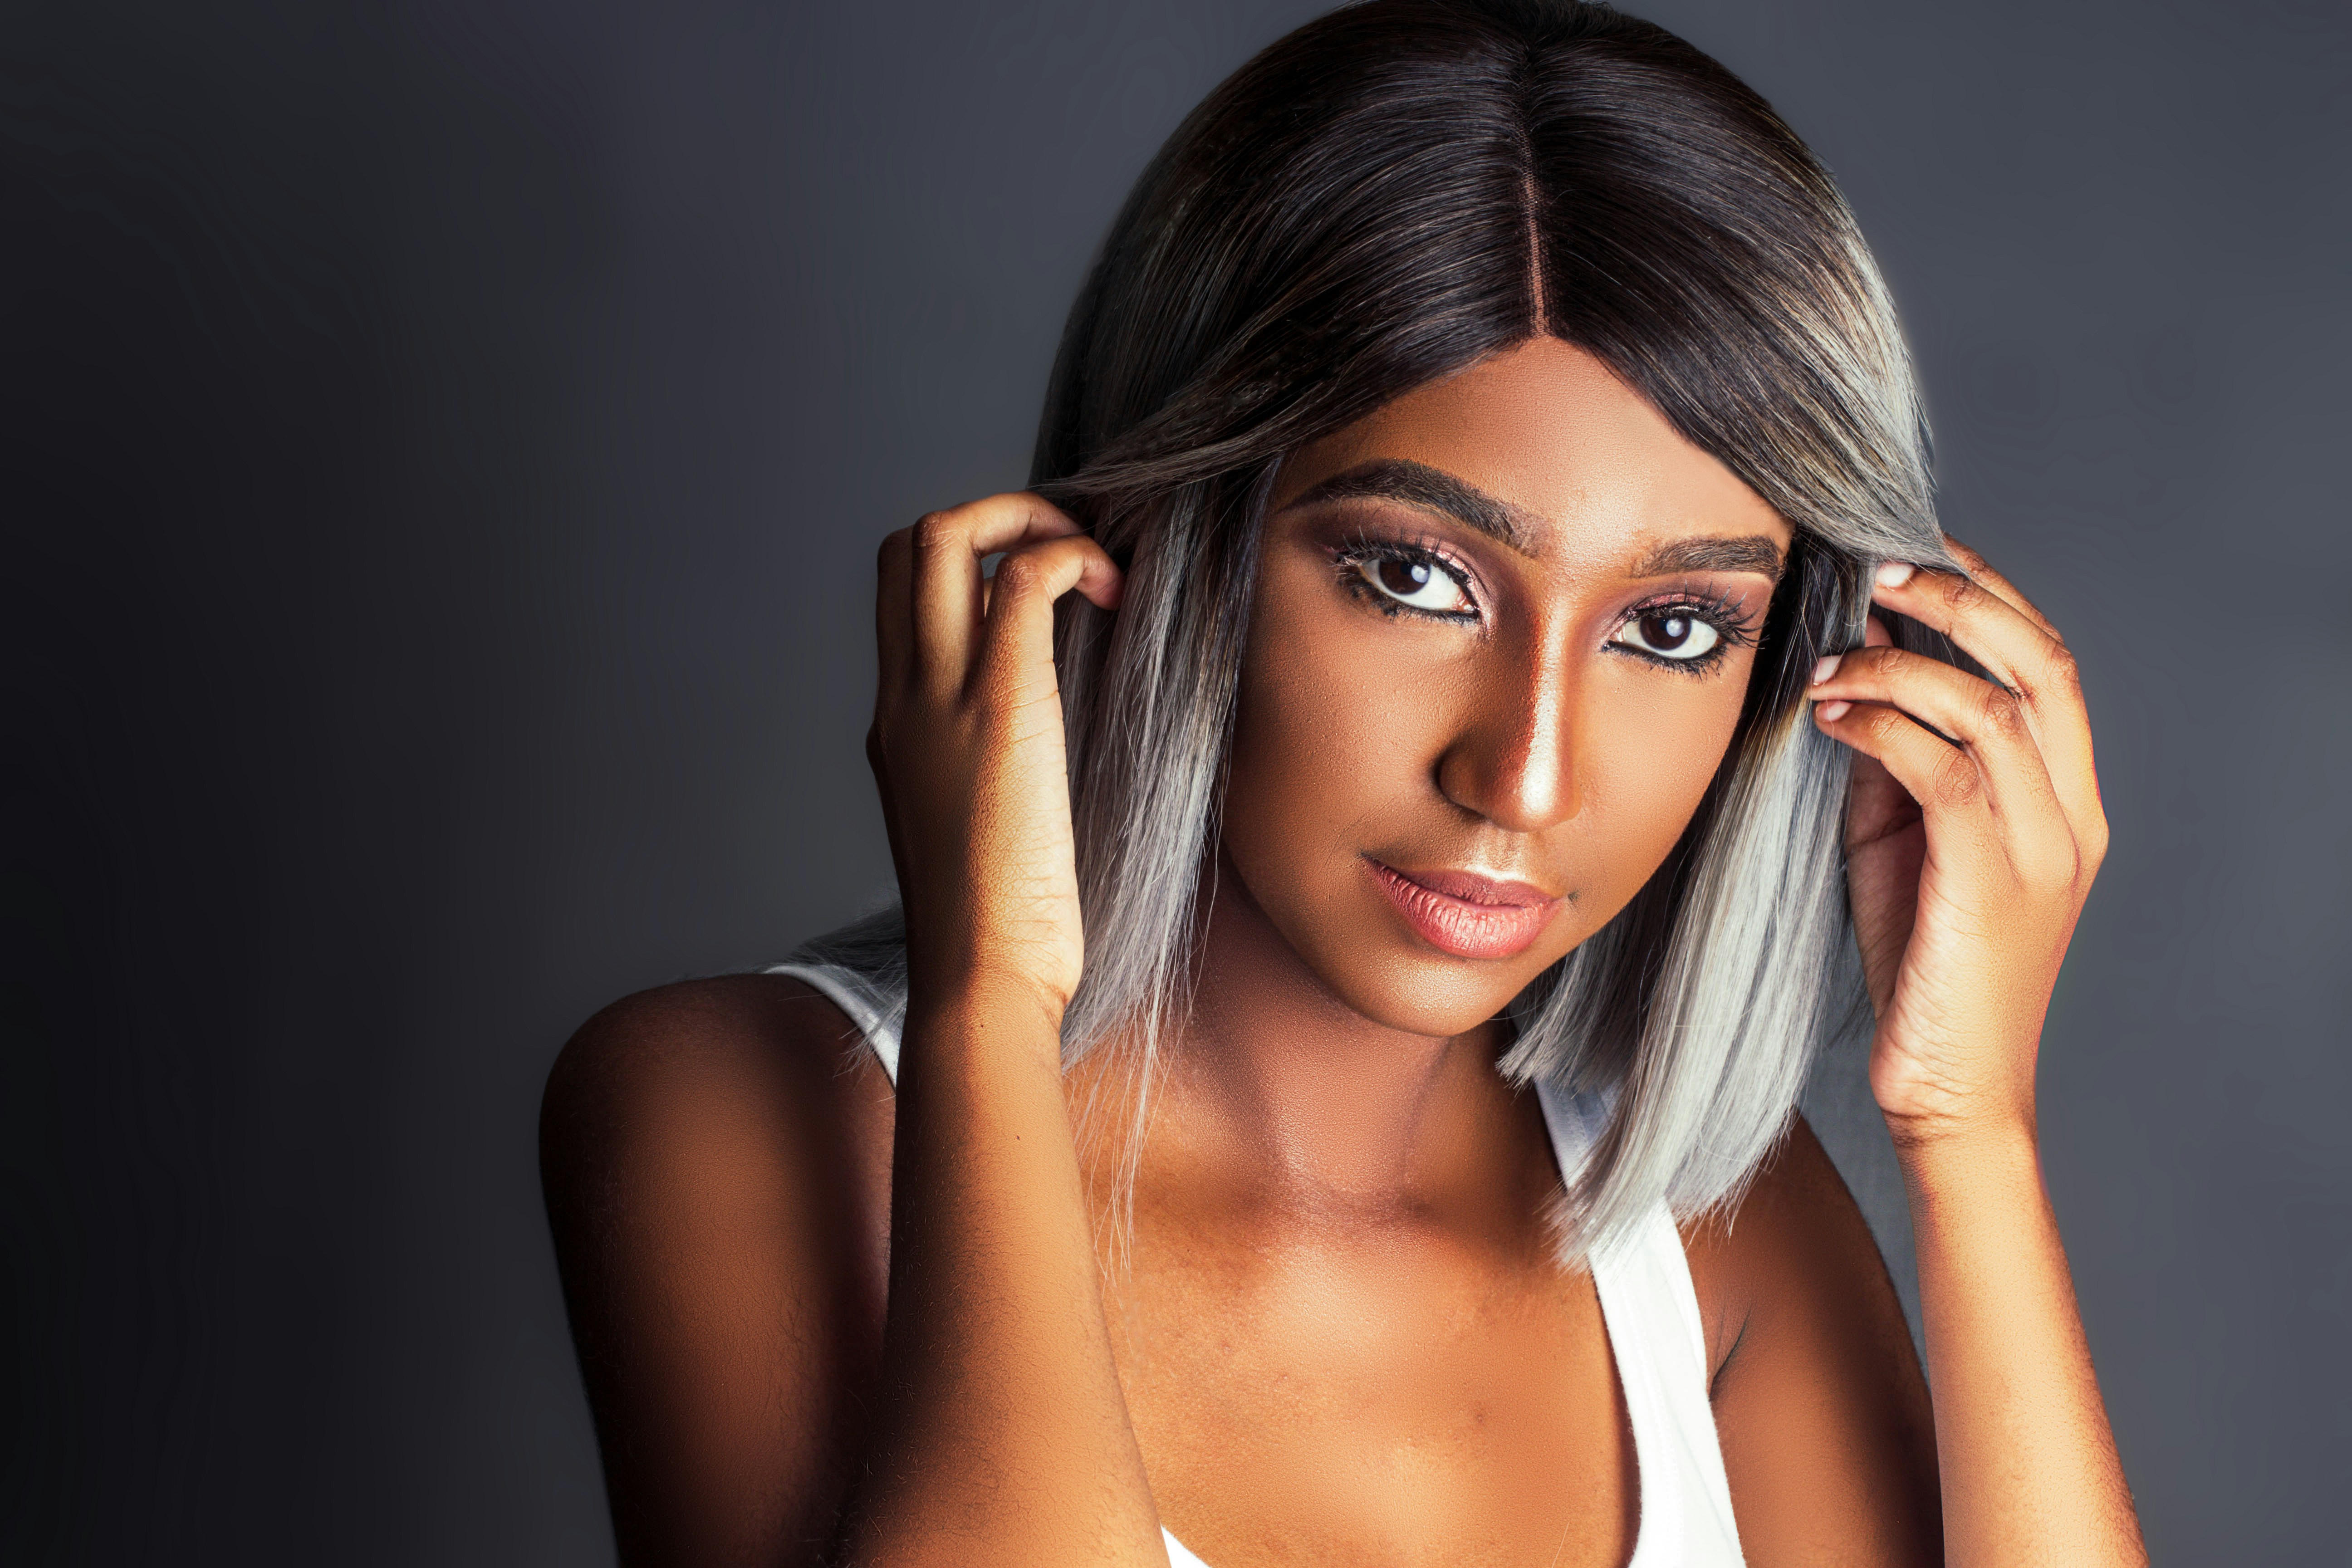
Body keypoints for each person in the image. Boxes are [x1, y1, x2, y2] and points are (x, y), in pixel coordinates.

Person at [539, 3, 2146, 1563]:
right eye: (1415, 579)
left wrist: (1973, 1136)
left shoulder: (1711, 1232)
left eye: (1670, 628)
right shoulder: (735, 1115)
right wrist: (993, 1002)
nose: (1525, 775)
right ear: (1160, 539)